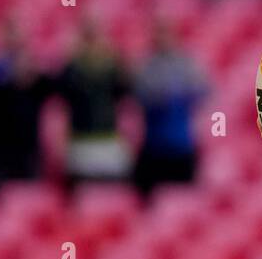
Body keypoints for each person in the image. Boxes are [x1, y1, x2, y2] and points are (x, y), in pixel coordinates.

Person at [132, 19, 209, 195]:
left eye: (166, 32)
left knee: (185, 204)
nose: (162, 37)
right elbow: (145, 95)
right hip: (154, 148)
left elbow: (203, 91)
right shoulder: (145, 66)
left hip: (182, 147)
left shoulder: (187, 64)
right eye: (159, 32)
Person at [0, 21, 52, 193]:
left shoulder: (33, 71)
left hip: (28, 153)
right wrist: (7, 73)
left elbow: (51, 87)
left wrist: (31, 72)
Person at [56, 19, 132, 189]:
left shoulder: (112, 68)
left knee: (111, 197)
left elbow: (125, 90)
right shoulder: (71, 69)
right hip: (80, 142)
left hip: (107, 141)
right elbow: (62, 90)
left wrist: (115, 59)